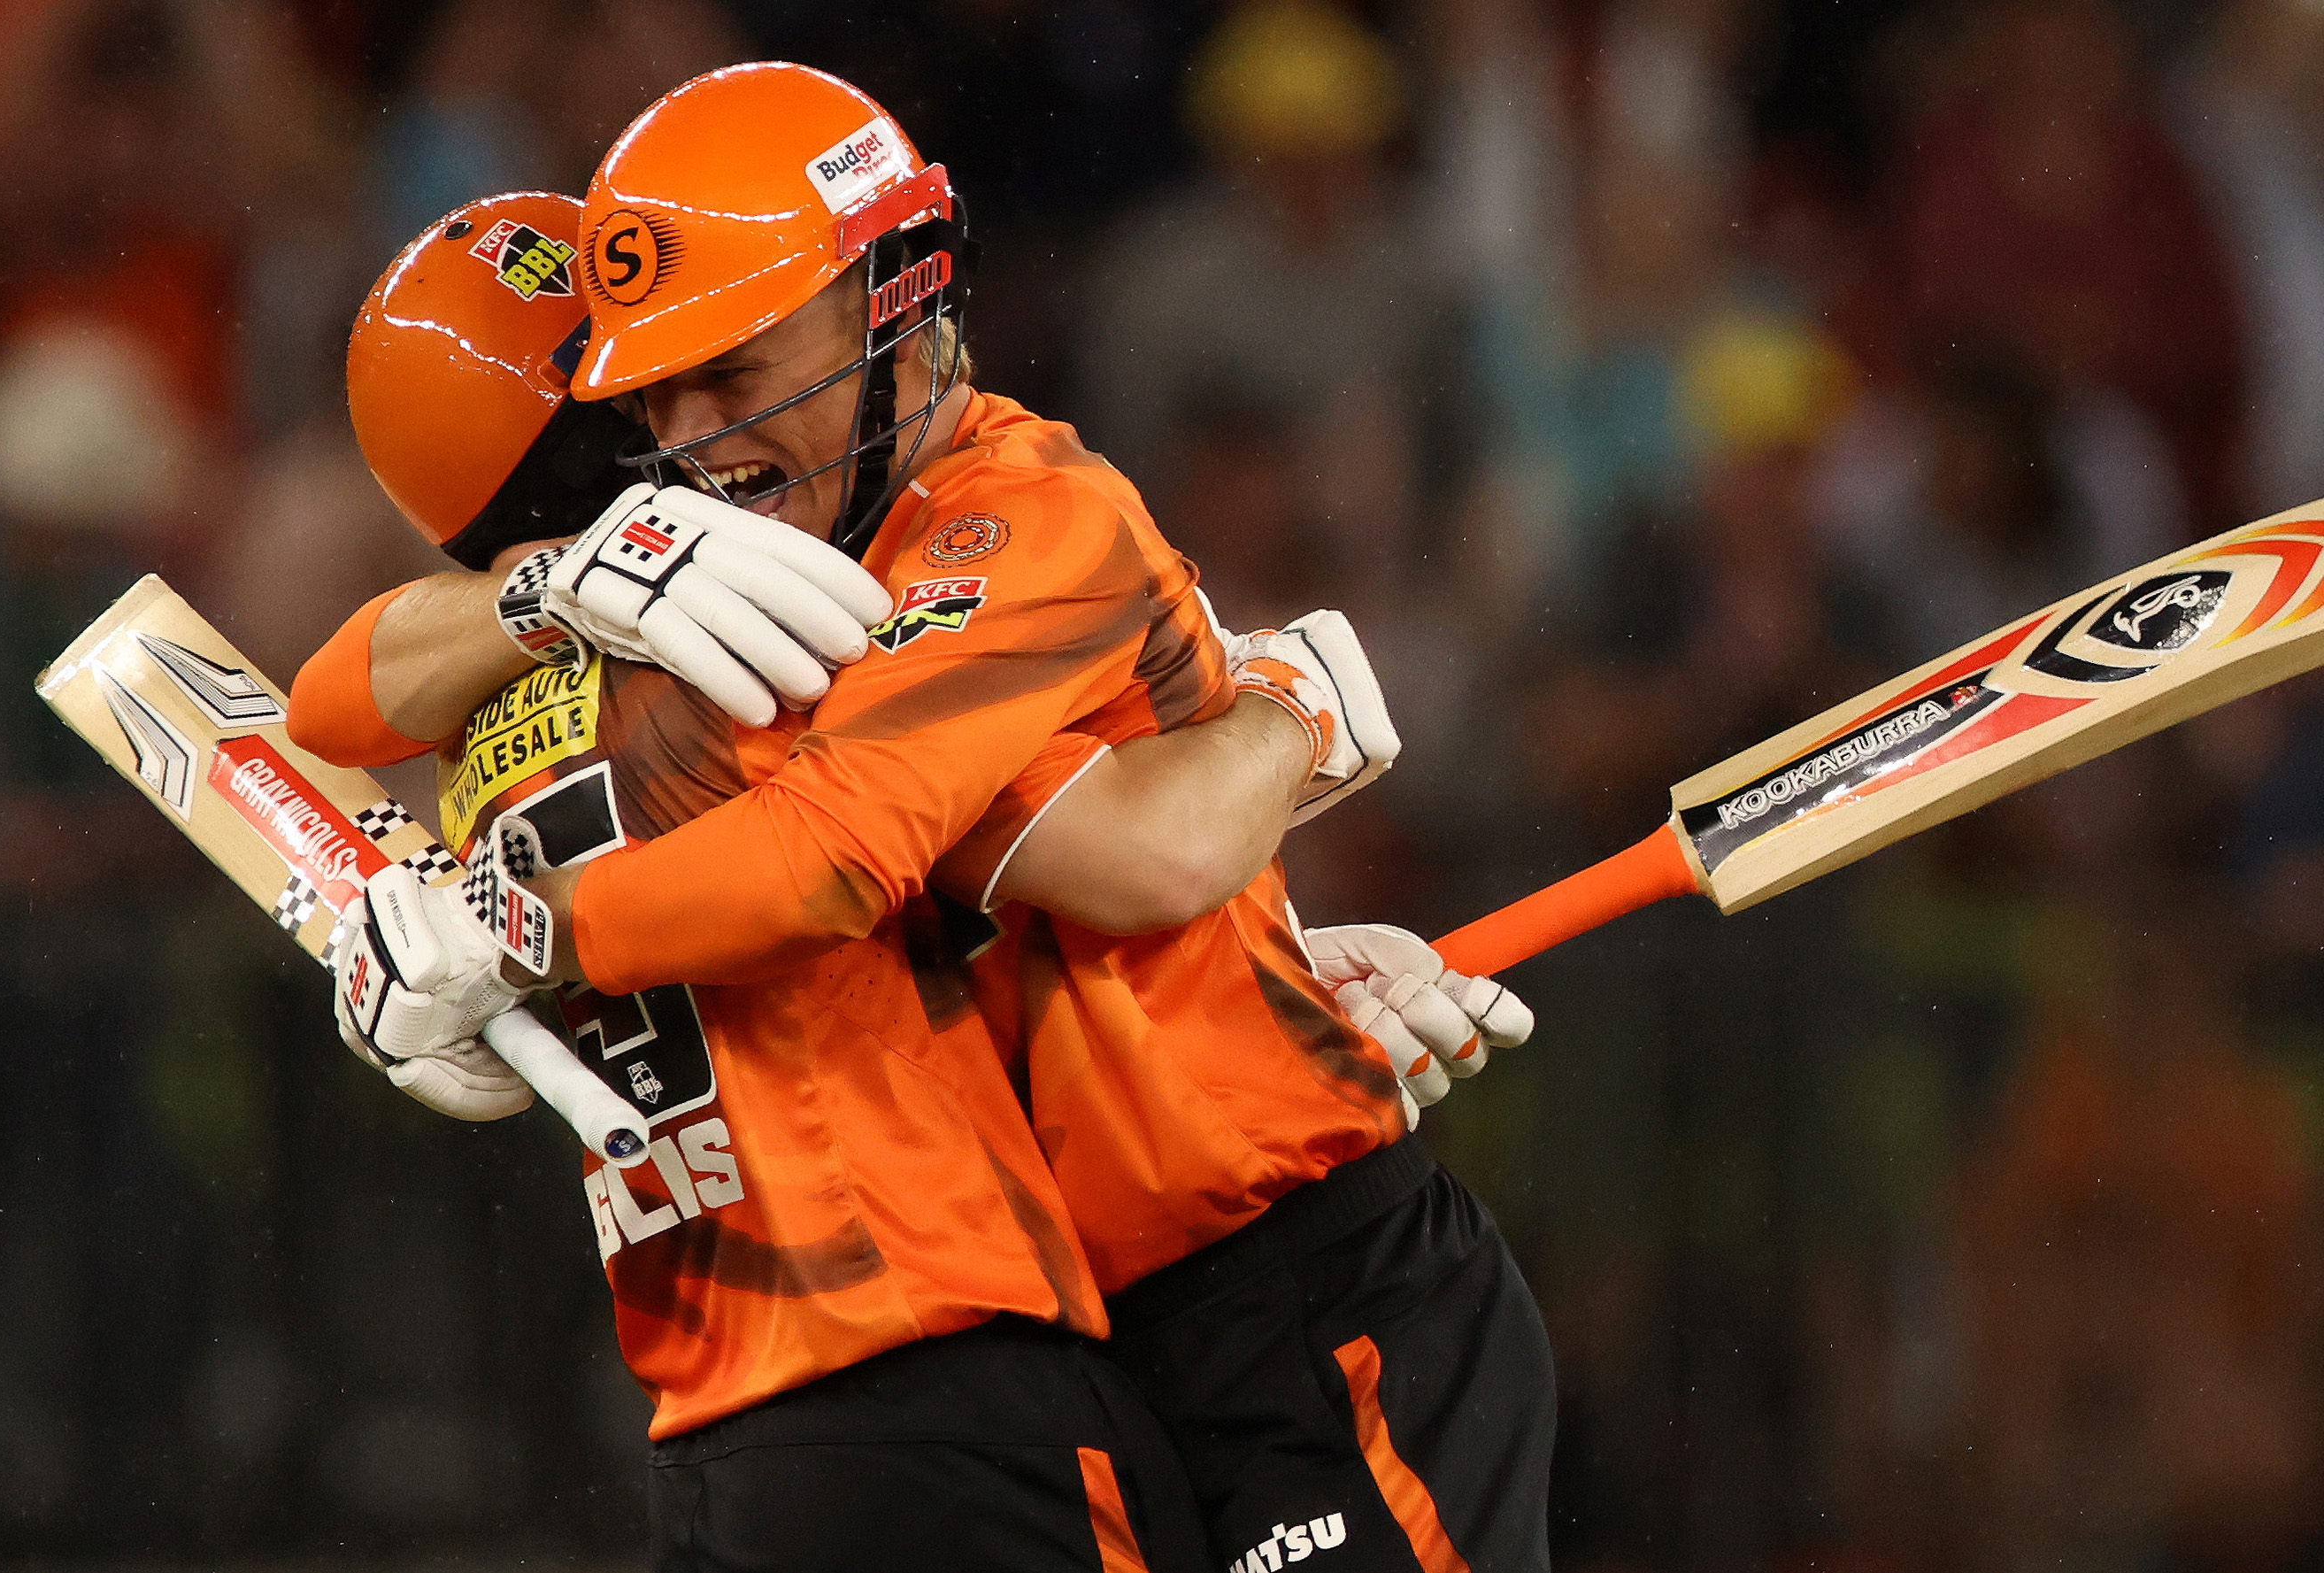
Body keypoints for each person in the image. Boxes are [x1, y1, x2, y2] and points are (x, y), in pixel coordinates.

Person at [301, 66, 1549, 1573]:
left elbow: (876, 859)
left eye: (738, 368)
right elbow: (327, 701)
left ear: (897, 300)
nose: (692, 440)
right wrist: (1285, 784)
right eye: (653, 396)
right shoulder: (716, 597)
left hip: (1299, 1286)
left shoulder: (1019, 508)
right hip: (1095, 1325)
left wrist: (514, 930)